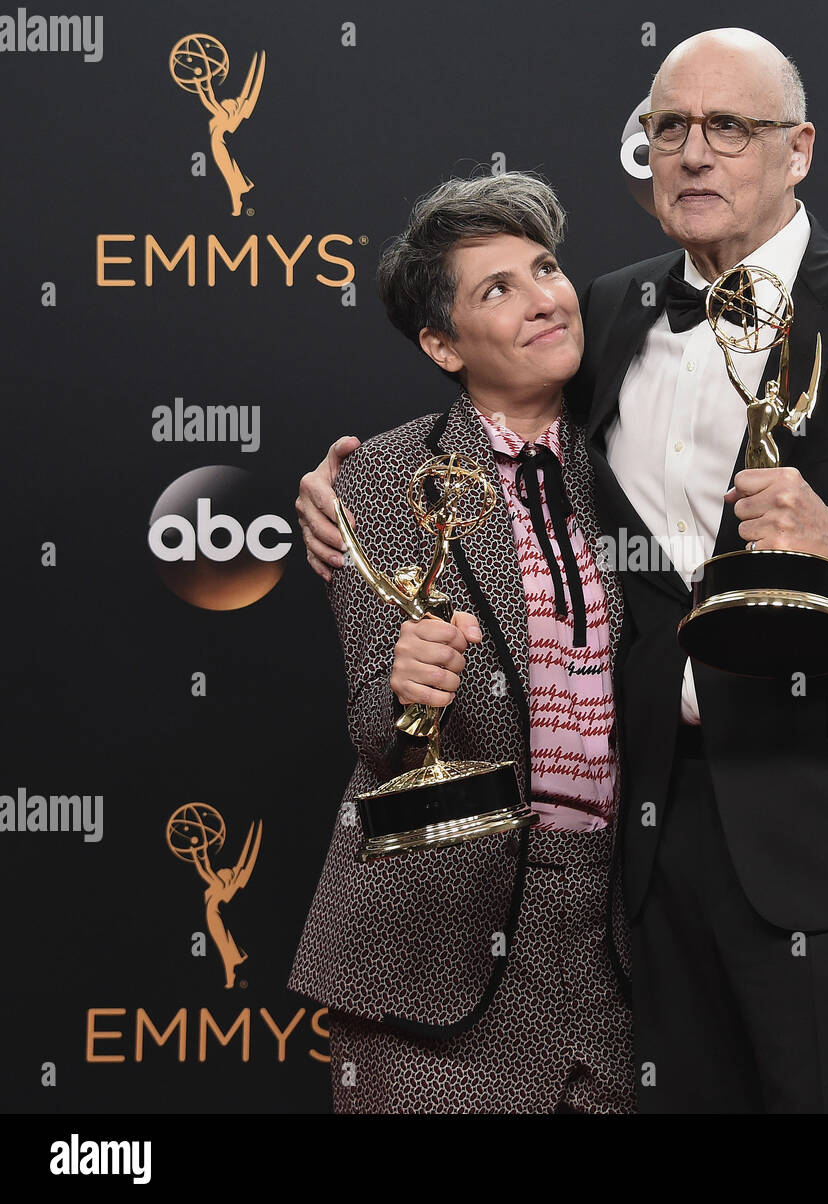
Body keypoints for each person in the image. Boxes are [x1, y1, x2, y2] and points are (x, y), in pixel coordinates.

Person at [297, 27, 828, 1113]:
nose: (693, 152)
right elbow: (489, 435)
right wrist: (338, 501)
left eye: (728, 127)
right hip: (653, 860)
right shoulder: (605, 314)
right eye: (668, 129)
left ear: (800, 149)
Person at [287, 172, 635, 1114]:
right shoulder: (388, 479)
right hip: (437, 937)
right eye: (498, 289)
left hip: (621, 939)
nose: (543, 300)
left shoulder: (635, 463)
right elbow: (377, 734)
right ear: (441, 343)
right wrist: (406, 688)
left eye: (546, 269)